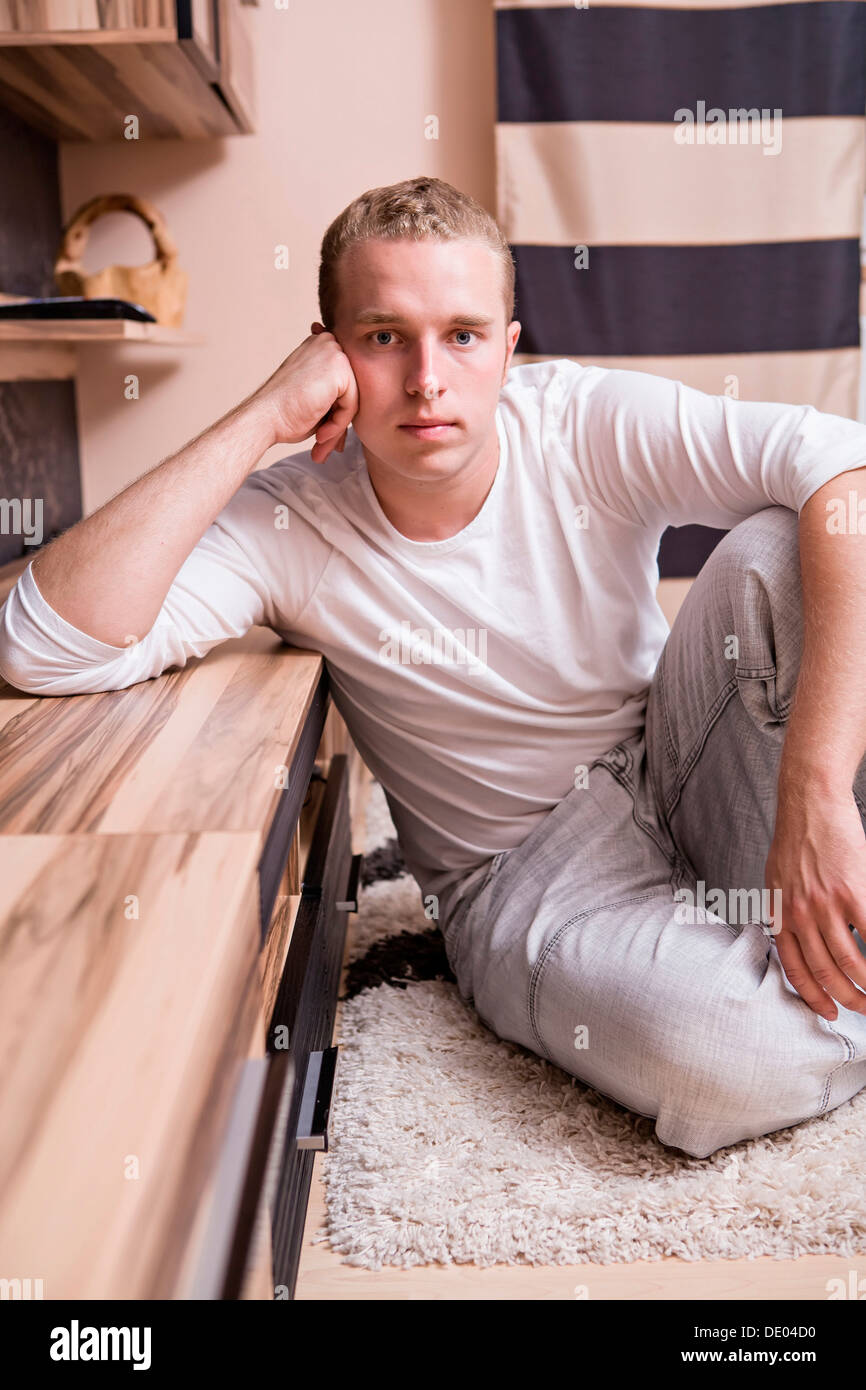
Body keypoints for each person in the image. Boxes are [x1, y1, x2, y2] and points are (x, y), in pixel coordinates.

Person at [2, 175, 866, 1157]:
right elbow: (39, 644)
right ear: (326, 352)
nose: (425, 379)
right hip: (524, 875)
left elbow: (845, 472)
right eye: (381, 337)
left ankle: (800, 932)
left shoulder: (579, 420)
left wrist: (813, 786)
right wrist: (259, 416)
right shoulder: (289, 519)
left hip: (676, 760)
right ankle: (762, 981)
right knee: (720, 1058)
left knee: (779, 547)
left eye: (460, 335)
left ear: (507, 347)